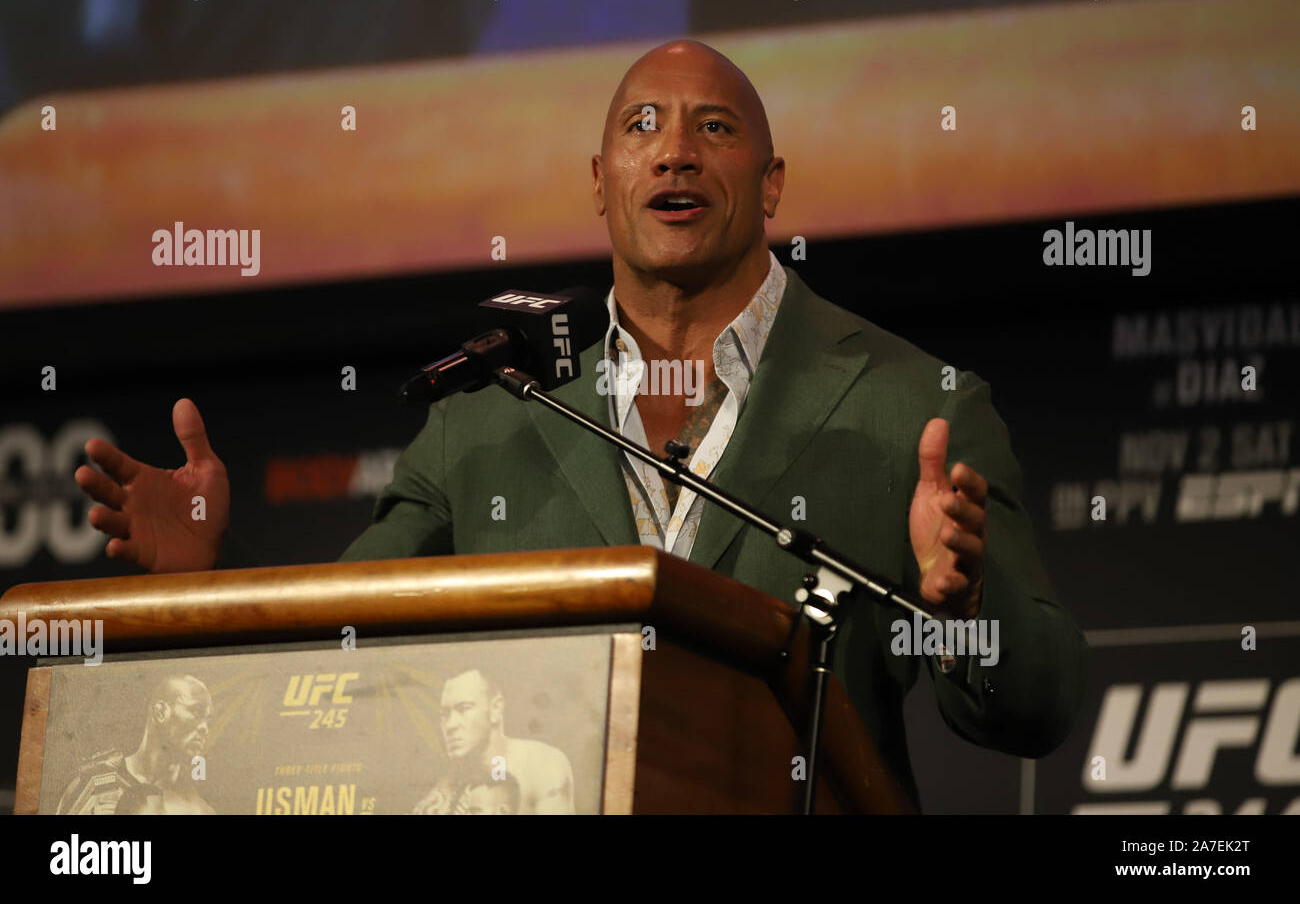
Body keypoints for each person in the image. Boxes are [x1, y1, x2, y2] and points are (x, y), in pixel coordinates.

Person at [76, 39, 1087, 811]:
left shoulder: (912, 404)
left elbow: (1038, 704)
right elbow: (347, 664)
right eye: (641, 126)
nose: (676, 150)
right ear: (598, 181)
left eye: (715, 129)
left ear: (773, 182)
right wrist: (209, 584)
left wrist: (962, 602)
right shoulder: (484, 414)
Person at [411, 667, 573, 814]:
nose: (450, 725)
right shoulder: (445, 790)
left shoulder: (541, 764)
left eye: (464, 708)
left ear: (495, 708)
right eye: (445, 714)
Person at [57, 674, 216, 814]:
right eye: (196, 712)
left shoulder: (200, 809)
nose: (205, 728)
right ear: (160, 712)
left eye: (208, 720)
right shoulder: (91, 783)